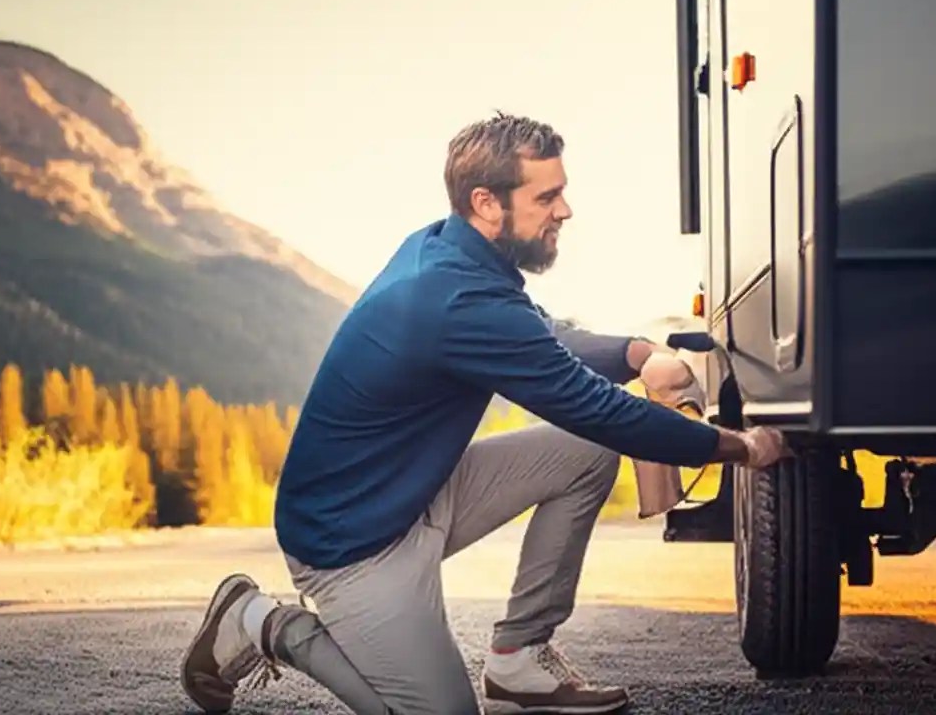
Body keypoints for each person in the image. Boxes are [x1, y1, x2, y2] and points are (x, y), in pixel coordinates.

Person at [179, 112, 789, 715]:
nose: (565, 210)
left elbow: (536, 335)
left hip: (420, 491)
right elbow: (592, 407)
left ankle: (520, 654)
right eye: (546, 195)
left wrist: (636, 354)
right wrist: (740, 448)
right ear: (487, 203)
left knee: (585, 456)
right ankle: (259, 622)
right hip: (352, 545)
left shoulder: (450, 249)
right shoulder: (453, 295)